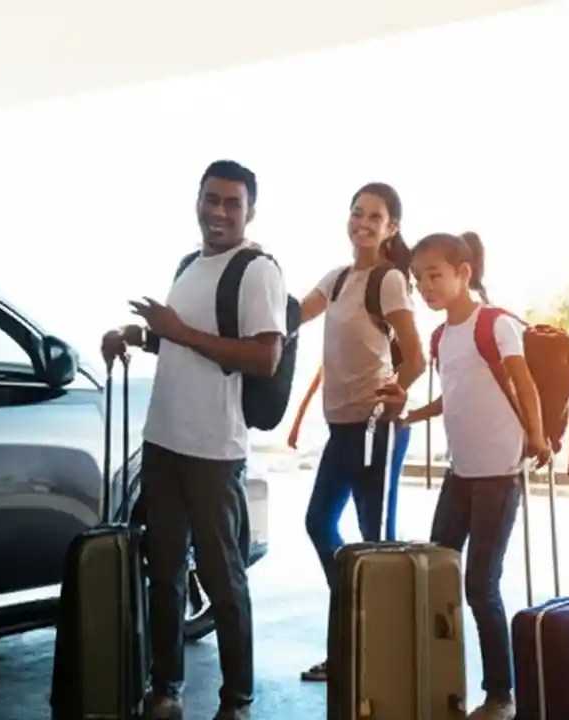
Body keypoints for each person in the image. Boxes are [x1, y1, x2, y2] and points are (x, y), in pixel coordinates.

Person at [101, 160, 287, 720]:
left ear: (249, 210)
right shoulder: (189, 266)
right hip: (164, 440)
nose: (219, 212)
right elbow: (179, 342)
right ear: (197, 202)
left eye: (232, 202)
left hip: (214, 449)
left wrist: (178, 331)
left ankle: (237, 700)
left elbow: (264, 355)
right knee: (165, 573)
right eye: (211, 199)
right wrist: (136, 335)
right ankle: (167, 690)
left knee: (222, 577)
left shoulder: (257, 270)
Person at [378, 231, 551, 720]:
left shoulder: (495, 325)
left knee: (481, 584)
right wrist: (412, 415)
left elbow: (525, 386)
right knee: (438, 575)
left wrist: (536, 439)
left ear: (463, 273)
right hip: (462, 475)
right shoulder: (440, 337)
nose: (426, 287)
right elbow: (453, 397)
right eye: (419, 279)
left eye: (435, 275)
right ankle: (441, 679)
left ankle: (501, 696)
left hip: (499, 475)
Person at [294, 182, 426, 683]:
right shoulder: (337, 279)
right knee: (318, 524)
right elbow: (290, 315)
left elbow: (416, 355)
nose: (363, 223)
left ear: (391, 227)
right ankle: (354, 637)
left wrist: (397, 390)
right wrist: (254, 274)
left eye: (375, 216)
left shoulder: (389, 281)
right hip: (341, 430)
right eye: (357, 213)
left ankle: (384, 660)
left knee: (377, 543)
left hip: (376, 430)